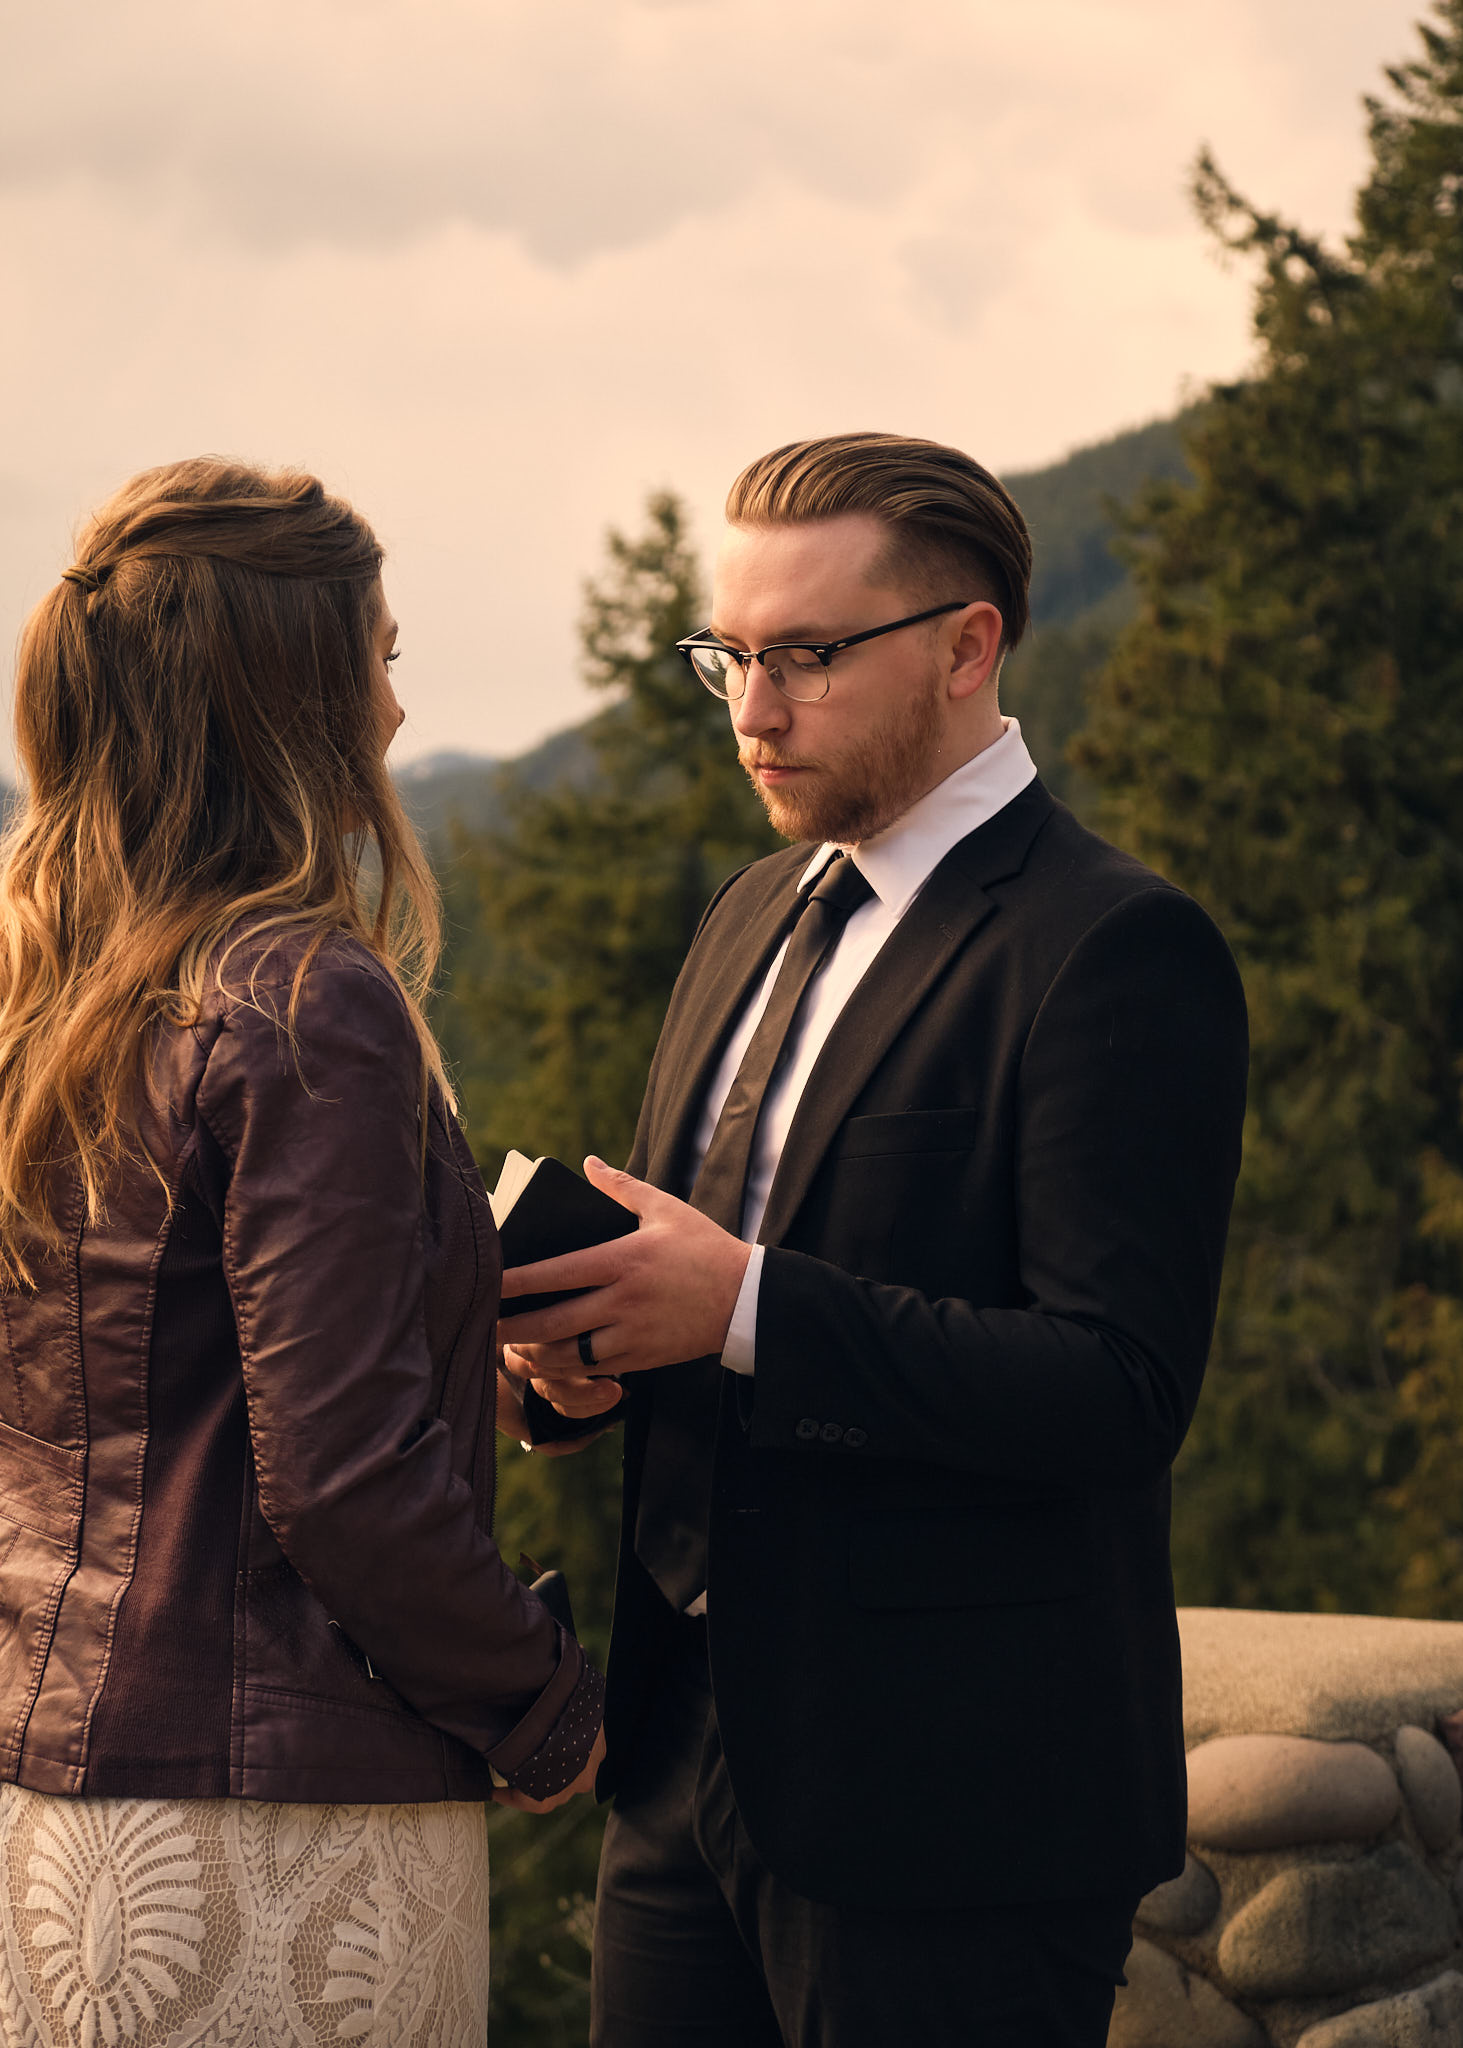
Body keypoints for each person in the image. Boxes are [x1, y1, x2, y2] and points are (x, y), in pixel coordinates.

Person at [499, 431, 1249, 2048]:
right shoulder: (751, 911)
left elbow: (1118, 1388)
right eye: (731, 657)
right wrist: (580, 1363)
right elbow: (700, 1297)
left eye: (808, 658)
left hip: (953, 1815)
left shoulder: (1117, 946)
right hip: (678, 1766)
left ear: (969, 647)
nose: (754, 711)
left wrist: (744, 1307)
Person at [0, 458, 604, 2048]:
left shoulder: (36, 990)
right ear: (293, 697)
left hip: (42, 1807)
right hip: (270, 1831)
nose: (397, 711)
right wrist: (544, 1703)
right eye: (380, 660)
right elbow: (338, 1480)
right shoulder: (302, 1000)